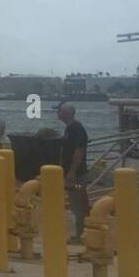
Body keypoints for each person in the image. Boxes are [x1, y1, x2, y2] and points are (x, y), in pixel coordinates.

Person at [59, 103, 90, 243]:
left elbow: (79, 151)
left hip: (76, 174)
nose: (57, 113)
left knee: (78, 204)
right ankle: (80, 234)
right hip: (71, 173)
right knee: (75, 203)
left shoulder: (76, 128)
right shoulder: (70, 128)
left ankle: (81, 236)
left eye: (59, 111)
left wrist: (72, 172)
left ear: (67, 113)